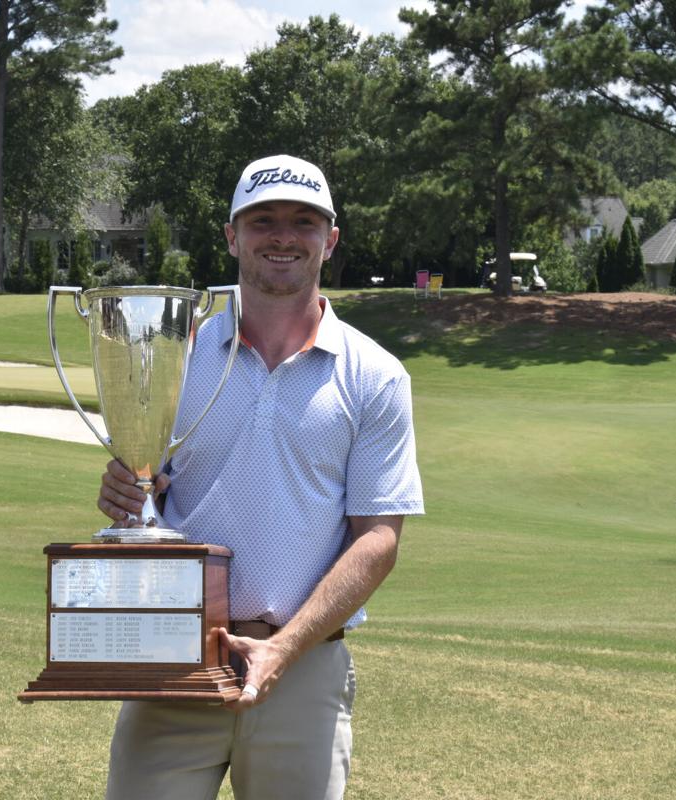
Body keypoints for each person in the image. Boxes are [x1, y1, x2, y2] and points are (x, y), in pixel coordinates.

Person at [97, 154, 424, 800]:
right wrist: (127, 491)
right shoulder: (173, 358)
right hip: (177, 660)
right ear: (231, 236)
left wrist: (284, 650)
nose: (282, 236)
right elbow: (146, 495)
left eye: (303, 222)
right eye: (262, 220)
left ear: (330, 240)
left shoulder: (375, 375)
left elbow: (378, 539)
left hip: (303, 668)